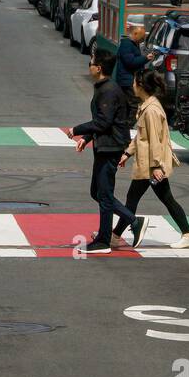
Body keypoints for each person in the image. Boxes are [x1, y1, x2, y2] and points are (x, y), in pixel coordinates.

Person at [114, 69, 189, 249]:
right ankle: (188, 233)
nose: (132, 85)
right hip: (149, 165)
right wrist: (127, 153)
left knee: (137, 199)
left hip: (150, 166)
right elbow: (141, 138)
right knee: (160, 198)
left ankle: (115, 235)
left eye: (135, 82)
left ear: (141, 86)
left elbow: (155, 141)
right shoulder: (147, 106)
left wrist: (157, 166)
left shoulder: (151, 110)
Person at [70, 52, 134, 255]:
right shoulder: (104, 88)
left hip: (111, 147)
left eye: (91, 63)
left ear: (99, 68)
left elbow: (103, 122)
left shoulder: (108, 90)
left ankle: (105, 239)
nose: (88, 66)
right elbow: (102, 122)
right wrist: (87, 138)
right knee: (97, 192)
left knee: (104, 195)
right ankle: (131, 220)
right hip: (104, 145)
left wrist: (77, 130)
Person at [113, 21, 150, 112]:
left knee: (128, 105)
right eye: (141, 36)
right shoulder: (127, 44)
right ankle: (129, 124)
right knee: (133, 105)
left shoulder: (132, 44)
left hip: (130, 79)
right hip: (127, 81)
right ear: (135, 33)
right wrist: (145, 58)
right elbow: (130, 62)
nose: (143, 39)